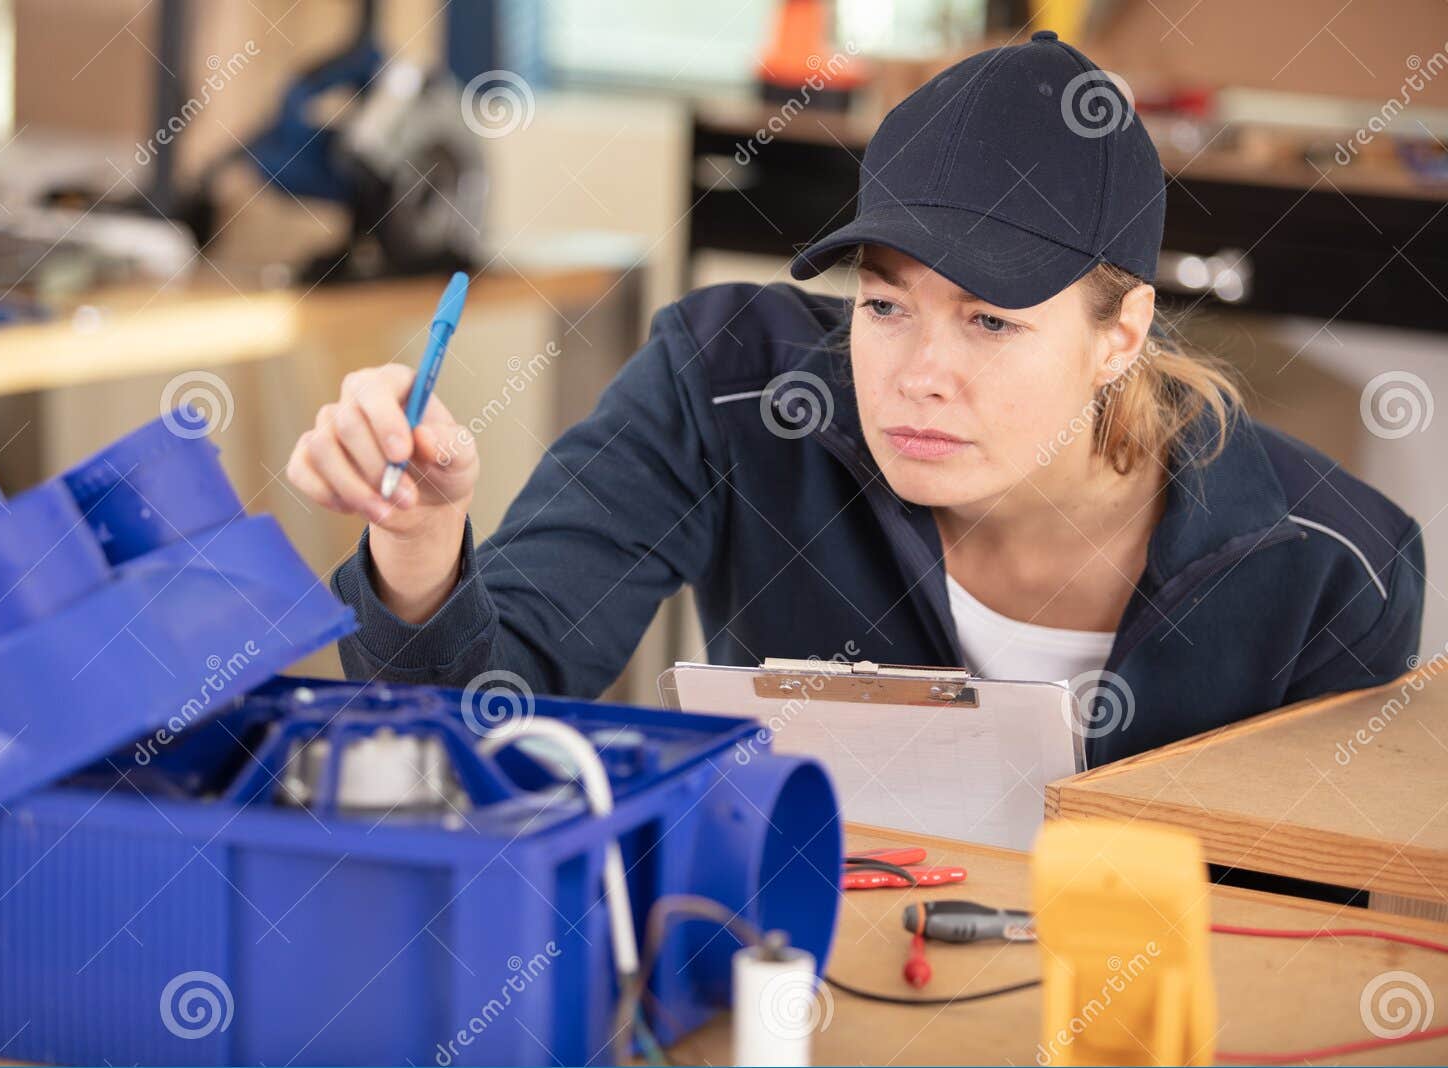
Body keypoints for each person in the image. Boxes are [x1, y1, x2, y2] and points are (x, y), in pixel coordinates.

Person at [285, 31, 1424, 768]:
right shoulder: (726, 384)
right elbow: (467, 735)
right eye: (884, 304)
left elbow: (1307, 928)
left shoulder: (1333, 568)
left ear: (1118, 335)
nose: (919, 371)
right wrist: (421, 546)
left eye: (990, 320)